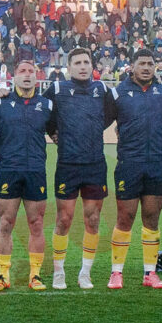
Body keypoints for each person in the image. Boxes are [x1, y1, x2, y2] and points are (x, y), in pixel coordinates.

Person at [47, 47, 116, 290]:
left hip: (95, 164)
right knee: (63, 220)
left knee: (93, 219)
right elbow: (44, 116)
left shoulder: (102, 90)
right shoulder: (57, 90)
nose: (83, 66)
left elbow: (110, 115)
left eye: (87, 62)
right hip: (67, 164)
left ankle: (85, 273)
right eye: (78, 62)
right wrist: (55, 133)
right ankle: (59, 272)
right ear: (69, 67)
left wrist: (93, 127)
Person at [0, 58, 54, 290]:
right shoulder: (2, 102)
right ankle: (3, 275)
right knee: (6, 223)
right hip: (9, 171)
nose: (26, 74)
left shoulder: (46, 105)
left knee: (36, 223)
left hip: (36, 171)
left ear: (37, 76)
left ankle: (35, 275)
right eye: (22, 71)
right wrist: (1, 153)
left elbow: (56, 132)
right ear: (14, 76)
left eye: (30, 71)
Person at [110, 49, 162, 289]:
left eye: (151, 64)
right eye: (142, 63)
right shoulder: (118, 93)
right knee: (125, 217)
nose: (147, 67)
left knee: (152, 218)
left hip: (157, 163)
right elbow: (99, 119)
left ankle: (150, 273)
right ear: (132, 66)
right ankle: (116, 272)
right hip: (128, 164)